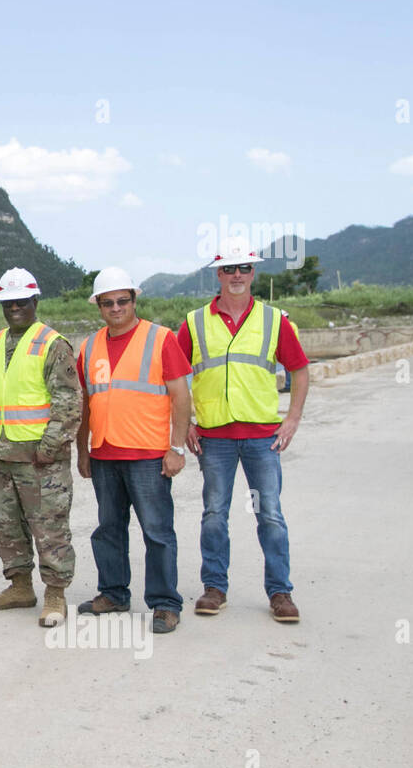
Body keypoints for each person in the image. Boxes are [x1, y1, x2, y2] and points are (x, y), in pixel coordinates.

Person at [177, 238, 310, 622]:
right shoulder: (195, 322)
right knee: (214, 513)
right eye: (229, 269)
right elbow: (174, 375)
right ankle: (214, 588)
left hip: (261, 438)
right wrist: (184, 423)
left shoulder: (273, 320)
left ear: (253, 273)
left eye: (244, 268)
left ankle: (280, 593)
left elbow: (300, 369)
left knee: (269, 514)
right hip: (214, 438)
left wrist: (293, 418)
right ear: (218, 274)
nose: (237, 275)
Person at [75, 267, 192, 634]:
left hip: (148, 454)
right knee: (108, 529)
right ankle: (113, 593)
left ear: (134, 300)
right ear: (98, 306)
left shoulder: (161, 339)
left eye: (122, 301)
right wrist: (82, 450)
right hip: (105, 453)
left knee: (157, 531)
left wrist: (176, 448)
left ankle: (165, 604)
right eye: (107, 303)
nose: (116, 308)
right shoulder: (89, 346)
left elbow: (181, 396)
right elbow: (85, 405)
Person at [0, 268, 81, 627]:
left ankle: (55, 593)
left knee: (49, 527)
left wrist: (48, 447)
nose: (15, 307)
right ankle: (20, 586)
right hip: (4, 456)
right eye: (8, 302)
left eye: (22, 301)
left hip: (40, 459)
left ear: (35, 301)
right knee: (8, 527)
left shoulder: (53, 344)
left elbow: (68, 401)